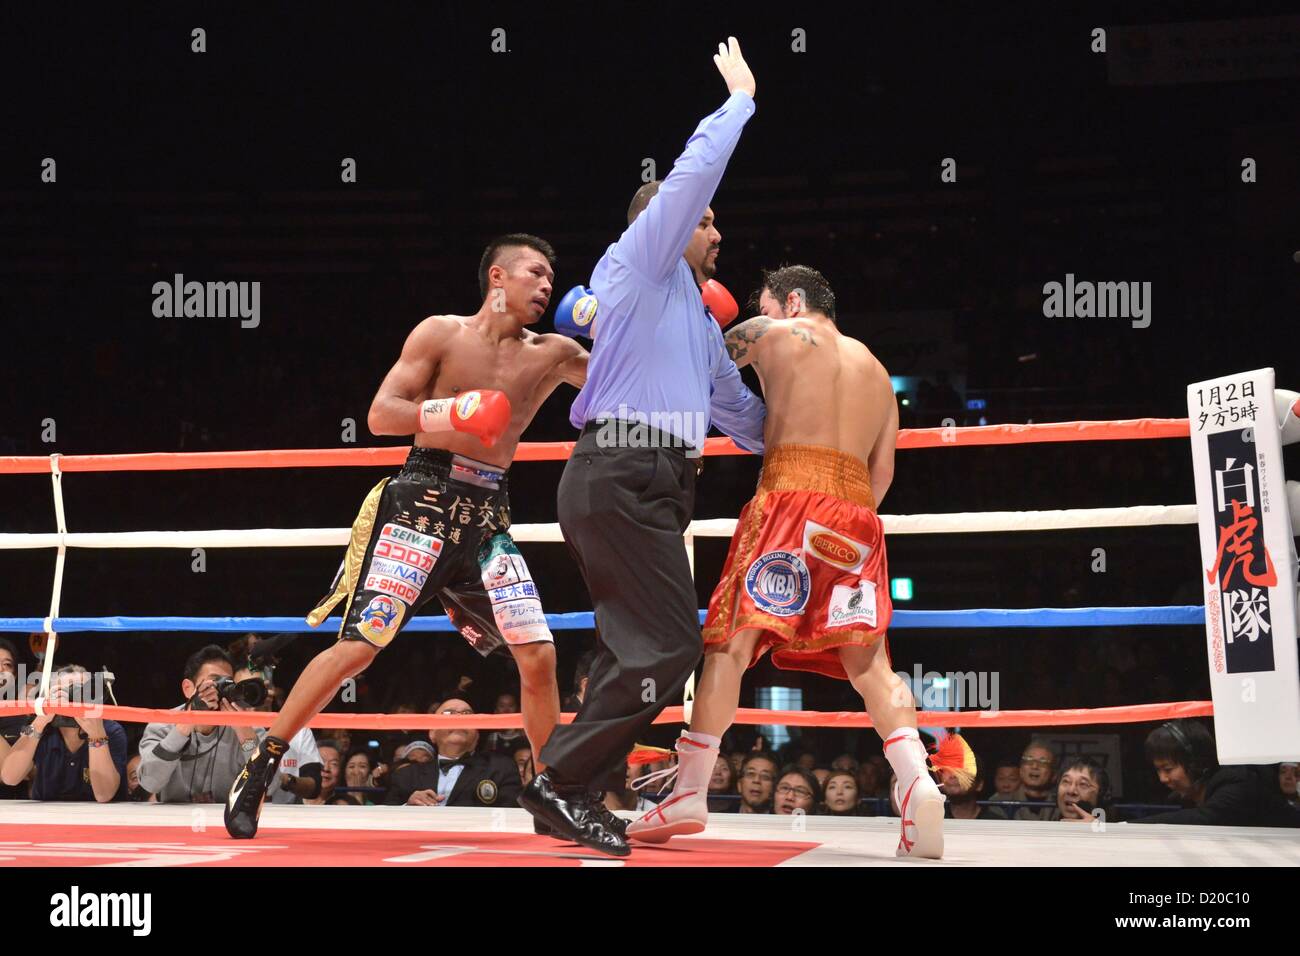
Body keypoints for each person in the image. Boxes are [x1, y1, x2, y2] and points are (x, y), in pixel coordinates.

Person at [225, 233, 589, 839]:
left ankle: (553, 790)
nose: (547, 285)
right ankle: (263, 762)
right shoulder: (440, 333)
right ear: (497, 278)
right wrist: (454, 412)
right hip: (419, 499)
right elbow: (380, 414)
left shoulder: (552, 352)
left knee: (538, 652)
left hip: (488, 516)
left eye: (553, 276)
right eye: (535, 272)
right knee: (361, 647)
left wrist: (633, 319)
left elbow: (625, 385)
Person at [519, 38, 765, 860]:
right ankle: (560, 779)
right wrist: (738, 103)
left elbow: (743, 417)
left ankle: (569, 786)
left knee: (645, 646)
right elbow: (690, 179)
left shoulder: (697, 320)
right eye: (705, 222)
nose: (716, 230)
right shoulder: (639, 263)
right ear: (664, 227)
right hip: (618, 468)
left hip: (656, 481)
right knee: (669, 645)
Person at [626, 263, 946, 859]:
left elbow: (692, 363)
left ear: (792, 301)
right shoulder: (876, 371)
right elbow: (882, 475)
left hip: (789, 499)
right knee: (869, 661)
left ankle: (691, 789)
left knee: (731, 642)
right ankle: (917, 781)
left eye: (767, 305)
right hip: (857, 519)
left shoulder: (774, 334)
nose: (763, 316)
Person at [137, 646, 263, 803]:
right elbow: (149, 783)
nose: (221, 689)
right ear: (188, 688)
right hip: (174, 819)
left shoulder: (249, 730)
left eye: (227, 683)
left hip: (227, 819)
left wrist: (243, 731)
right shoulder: (161, 726)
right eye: (215, 681)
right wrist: (185, 724)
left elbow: (270, 786)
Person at [1133, 721, 1300, 827]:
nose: (1162, 779)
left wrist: (1127, 826)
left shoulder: (1237, 784)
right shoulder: (1196, 794)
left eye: (1168, 769)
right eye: (1158, 770)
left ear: (1196, 763)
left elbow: (1207, 819)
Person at [0, 664, 127, 802]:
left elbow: (104, 795)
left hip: (99, 817)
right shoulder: (41, 728)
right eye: (65, 691)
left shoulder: (110, 730)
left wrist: (97, 735)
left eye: (80, 690)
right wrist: (40, 722)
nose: (73, 697)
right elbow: (10, 777)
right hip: (46, 815)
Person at [384, 699, 521, 808]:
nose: (459, 718)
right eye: (449, 714)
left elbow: (510, 819)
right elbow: (385, 823)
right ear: (432, 732)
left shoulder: (501, 769)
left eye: (467, 714)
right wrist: (407, 807)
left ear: (477, 734)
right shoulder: (406, 775)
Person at [987, 740, 1058, 821]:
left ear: (1054, 774)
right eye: (1029, 761)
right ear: (1020, 770)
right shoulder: (999, 803)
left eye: (1043, 762)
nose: (1034, 766)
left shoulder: (1061, 805)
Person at [1052, 756, 1111, 824]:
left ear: (1101, 795)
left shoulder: (1119, 830)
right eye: (1066, 781)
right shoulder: (1045, 827)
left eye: (1083, 784)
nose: (1071, 791)